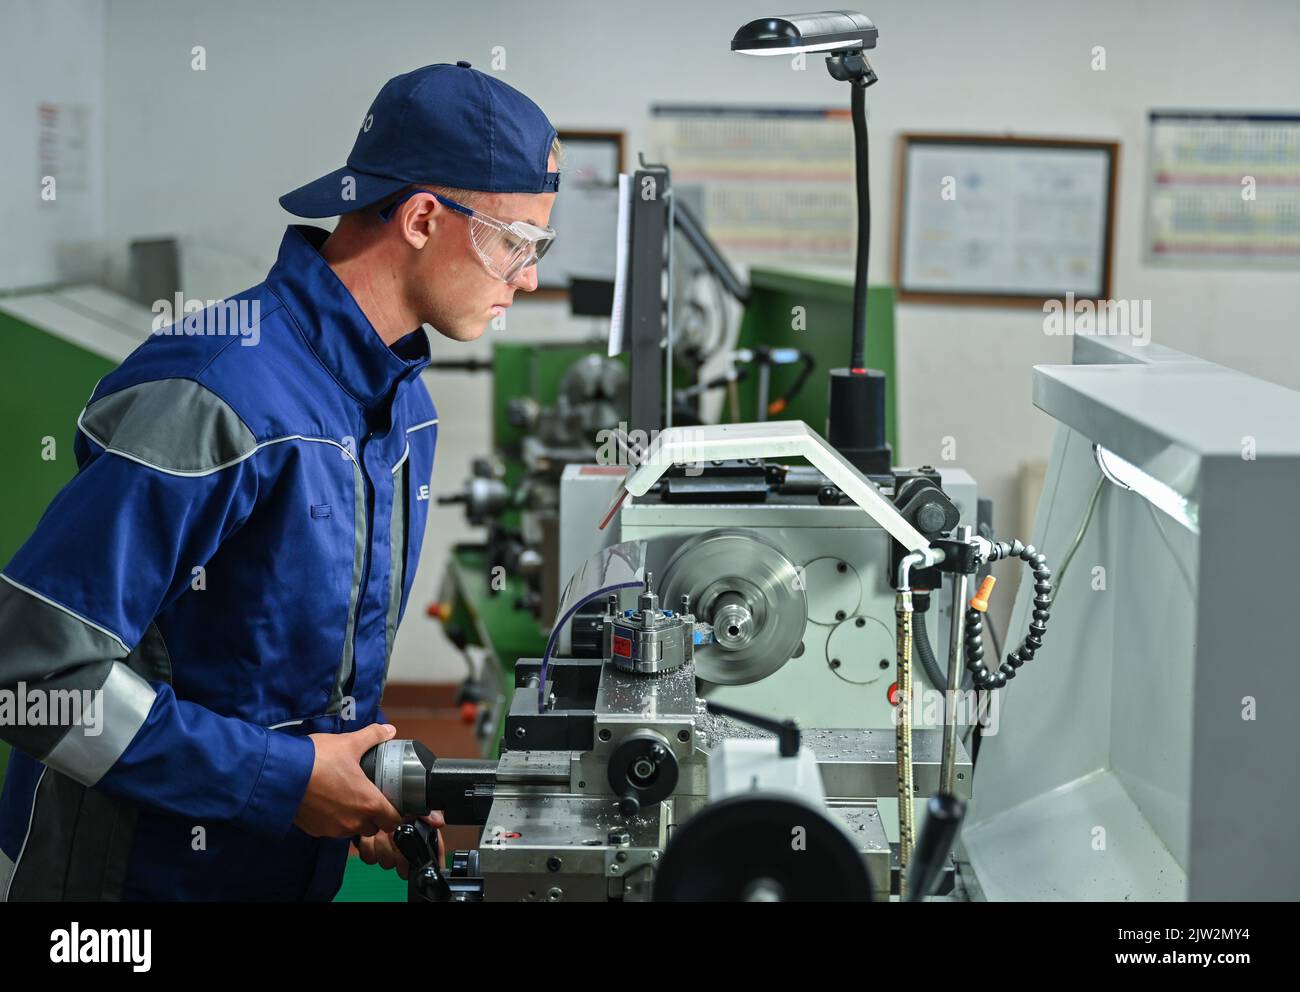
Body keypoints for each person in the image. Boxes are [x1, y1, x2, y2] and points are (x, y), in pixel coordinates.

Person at [0, 61, 560, 900]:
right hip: (124, 889)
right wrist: (287, 779)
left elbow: (283, 681)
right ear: (420, 218)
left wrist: (357, 782)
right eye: (517, 242)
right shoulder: (215, 392)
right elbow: (31, 677)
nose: (530, 278)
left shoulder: (405, 412)